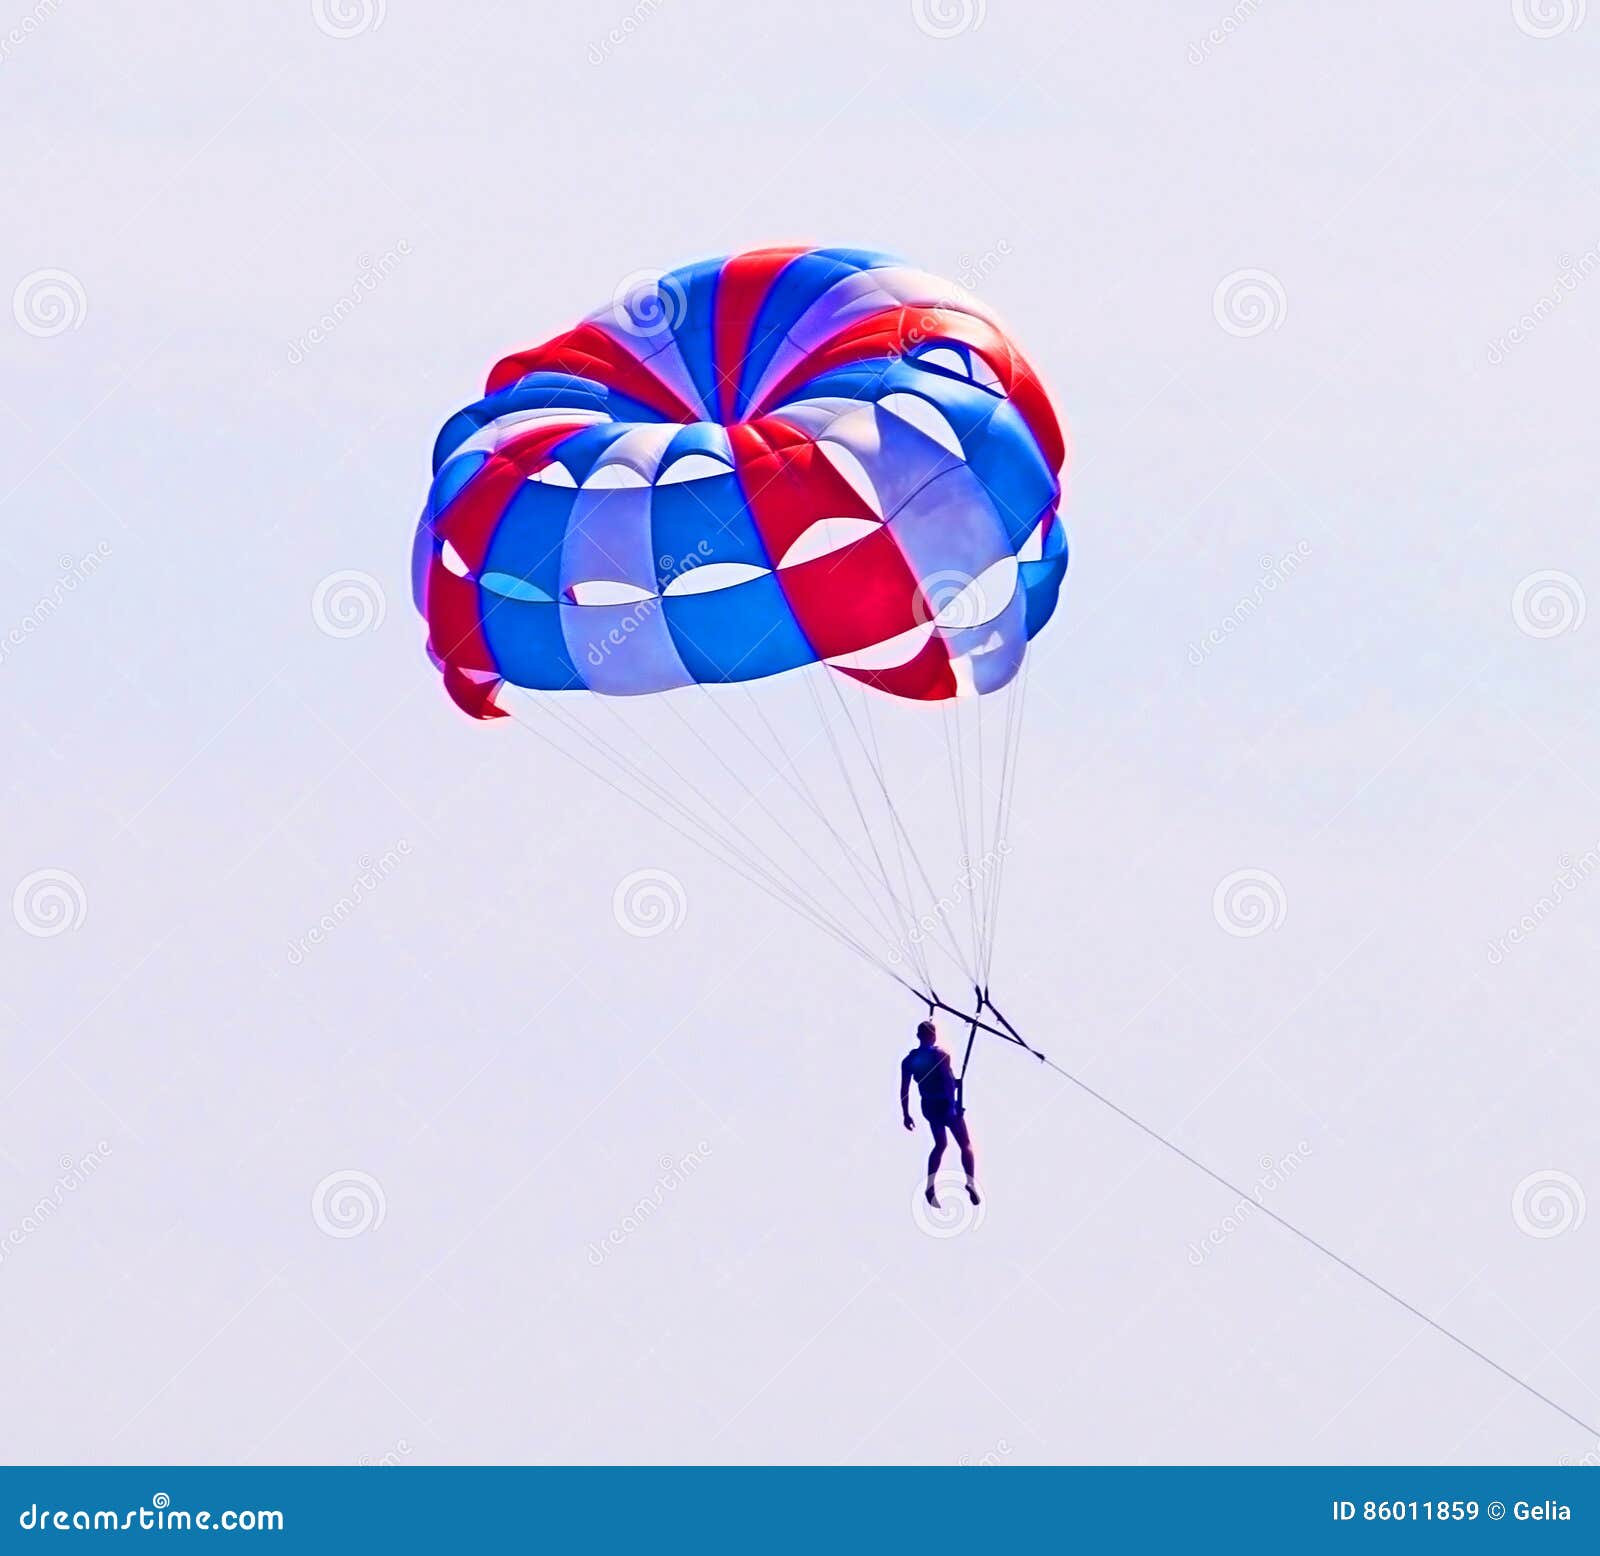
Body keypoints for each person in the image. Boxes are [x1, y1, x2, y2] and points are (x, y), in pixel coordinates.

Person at [900, 1018, 979, 1209]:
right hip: (945, 1105)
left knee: (940, 1144)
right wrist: (954, 1107)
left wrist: (906, 1114)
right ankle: (970, 1182)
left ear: (919, 1036)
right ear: (933, 1036)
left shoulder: (909, 1060)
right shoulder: (941, 1055)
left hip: (928, 1107)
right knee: (965, 1144)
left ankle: (930, 1186)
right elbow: (946, 1082)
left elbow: (904, 1090)